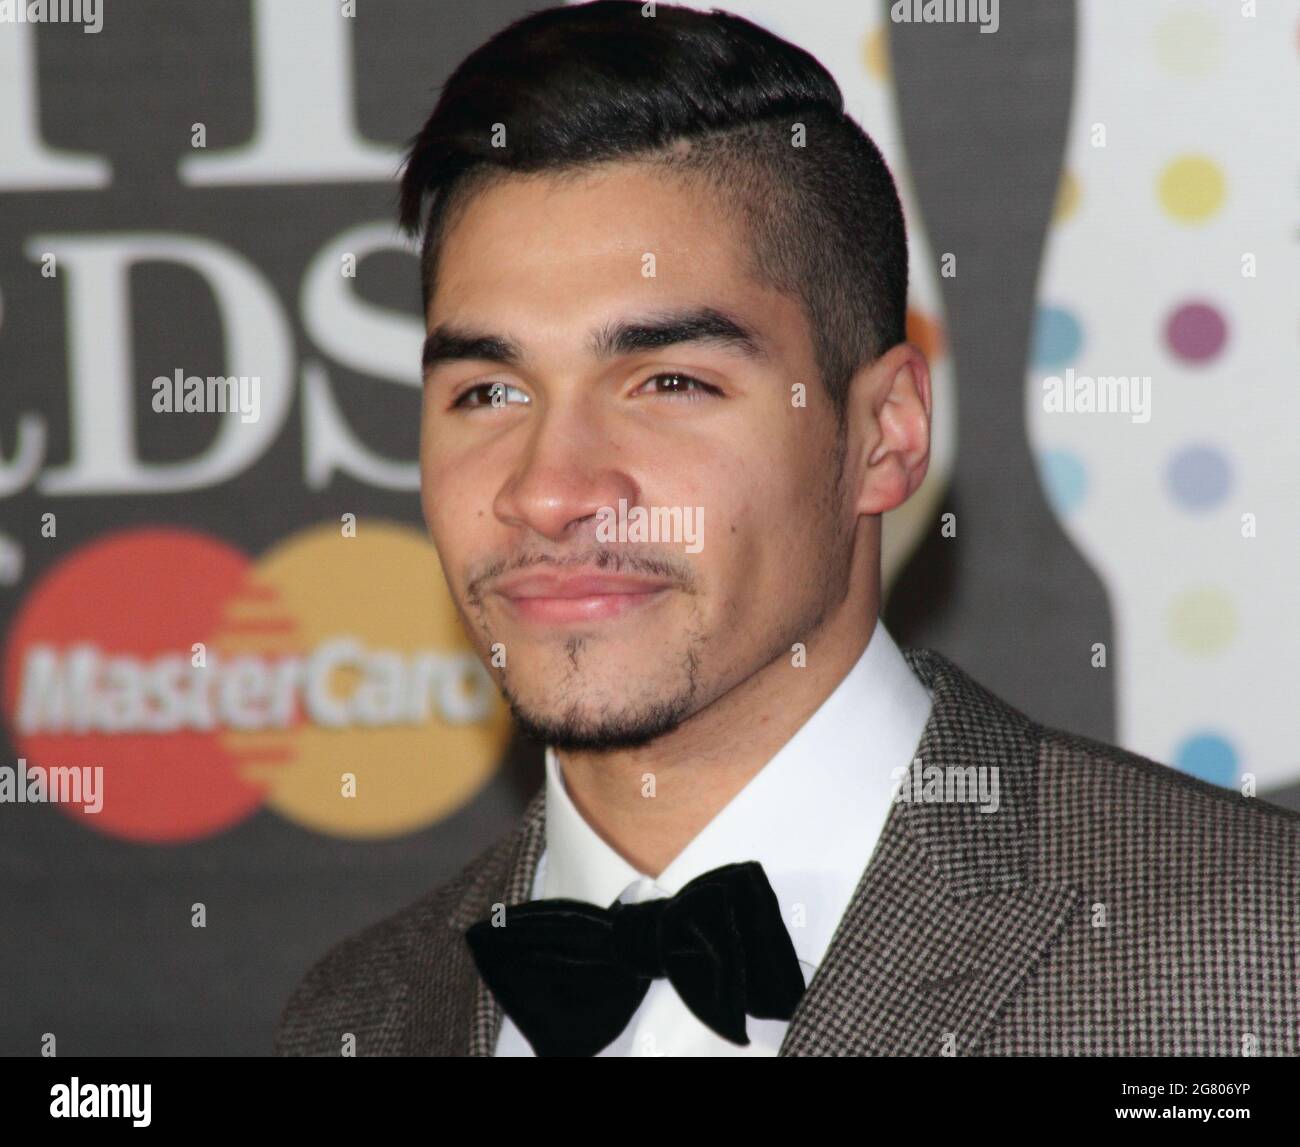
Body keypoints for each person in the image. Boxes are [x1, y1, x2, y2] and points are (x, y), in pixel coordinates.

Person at [273, 1, 1297, 1057]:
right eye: (488, 392)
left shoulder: (1257, 949)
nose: (547, 490)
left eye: (669, 382)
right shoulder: (359, 1017)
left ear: (885, 433)